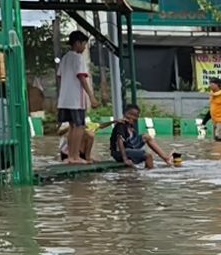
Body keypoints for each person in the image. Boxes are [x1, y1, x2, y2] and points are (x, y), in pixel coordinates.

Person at [56, 31, 97, 164]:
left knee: (72, 127)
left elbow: (60, 76)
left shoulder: (65, 58)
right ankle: (75, 156)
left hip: (64, 99)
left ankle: (70, 156)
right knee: (79, 126)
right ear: (78, 43)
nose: (84, 47)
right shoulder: (78, 58)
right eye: (84, 44)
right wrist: (91, 96)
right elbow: (81, 77)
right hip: (76, 100)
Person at [107, 104, 174, 170]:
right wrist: (125, 159)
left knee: (146, 136)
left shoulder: (130, 126)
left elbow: (132, 141)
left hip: (129, 147)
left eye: (136, 116)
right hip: (119, 152)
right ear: (124, 114)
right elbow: (120, 140)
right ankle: (149, 173)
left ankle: (166, 158)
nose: (133, 117)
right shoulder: (121, 125)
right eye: (130, 114)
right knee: (148, 156)